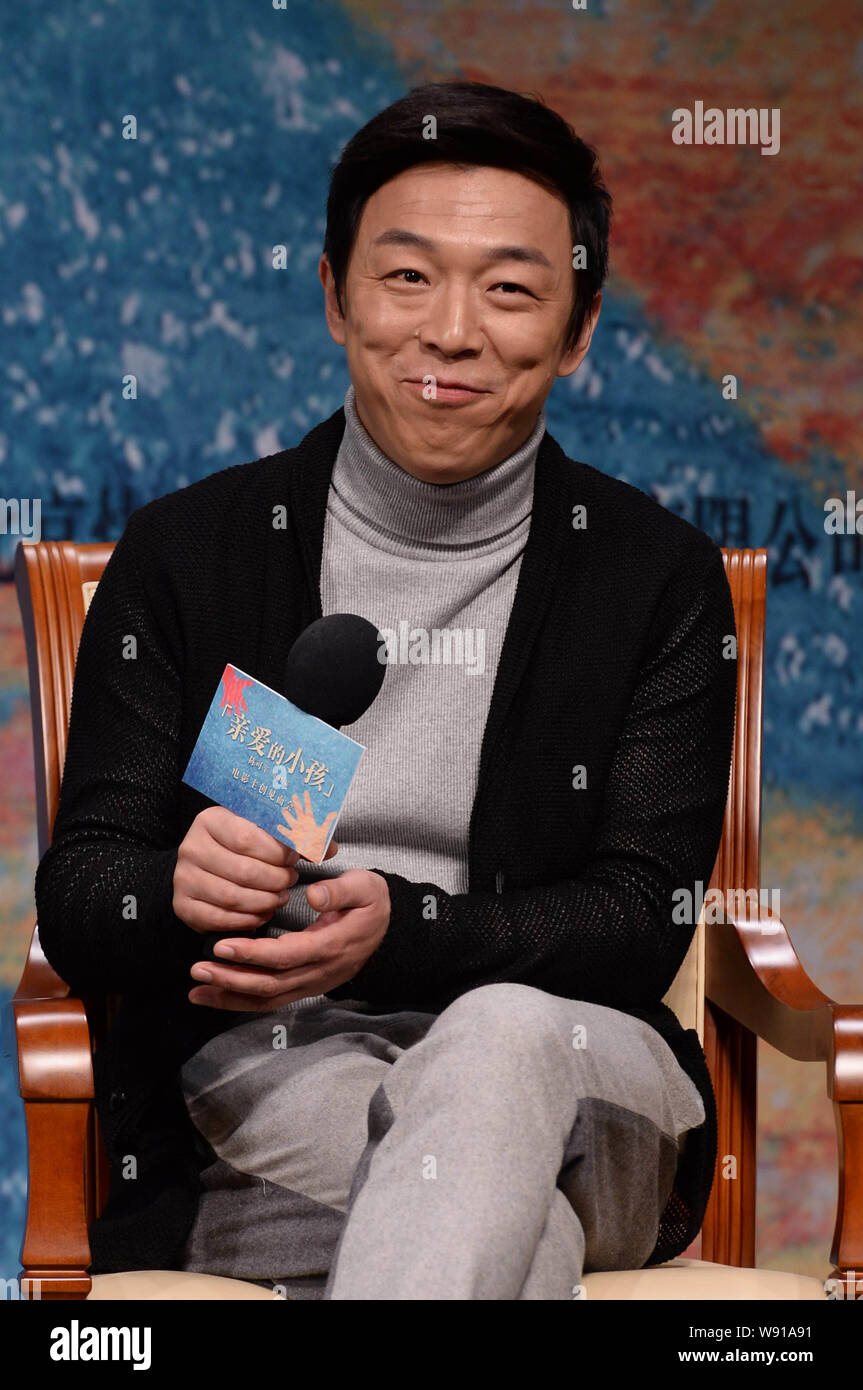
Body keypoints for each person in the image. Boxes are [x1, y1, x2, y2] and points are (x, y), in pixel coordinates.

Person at [35, 80, 737, 1300]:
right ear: (333, 293)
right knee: (513, 1234)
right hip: (274, 1074)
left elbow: (637, 919)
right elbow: (88, 890)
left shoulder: (651, 578)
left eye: (509, 287)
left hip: (577, 1060)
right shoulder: (195, 553)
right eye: (407, 275)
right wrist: (172, 882)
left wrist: (409, 933)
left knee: (500, 1035)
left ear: (576, 330)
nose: (451, 330)